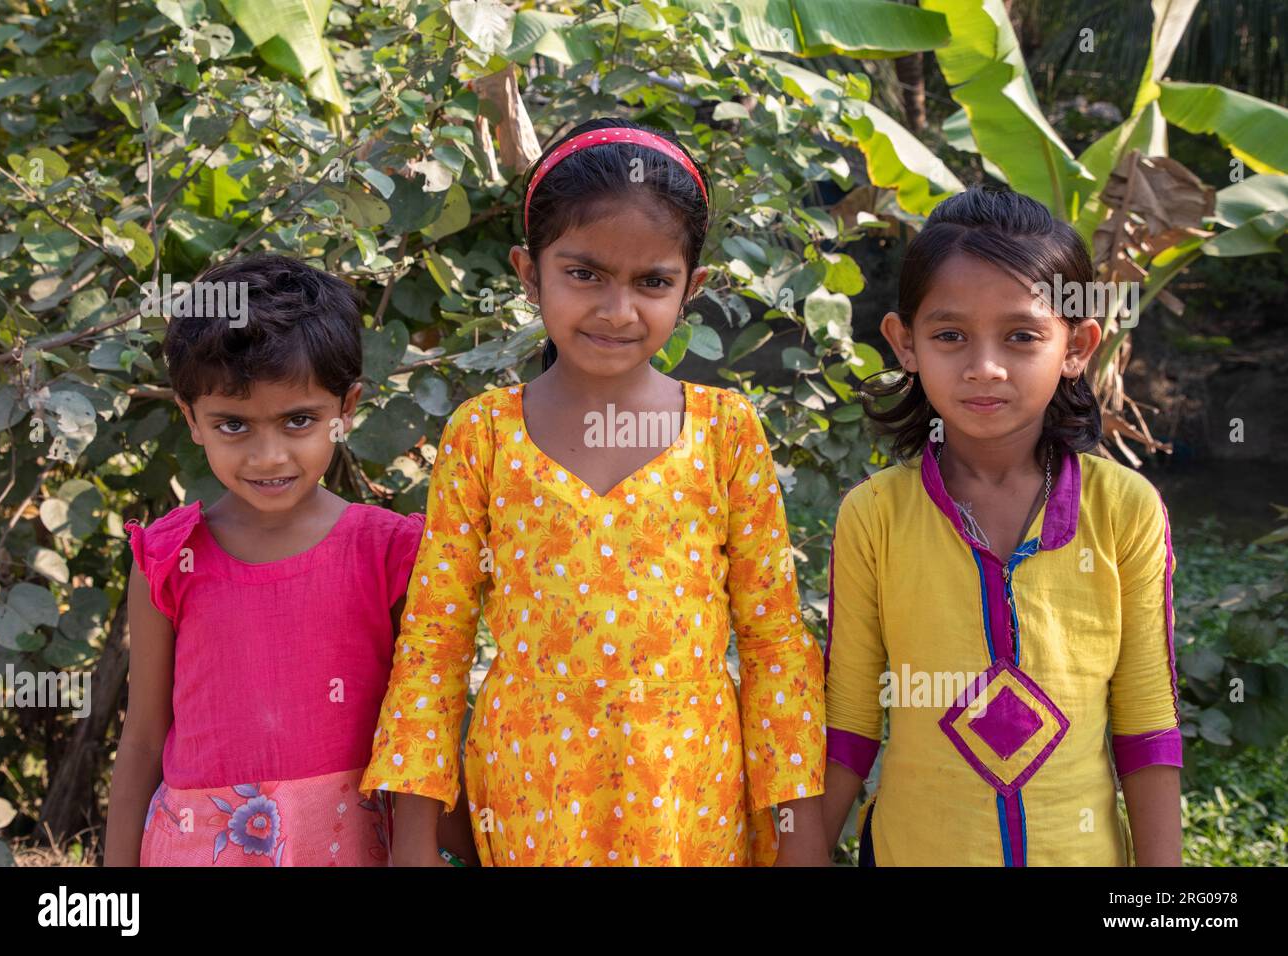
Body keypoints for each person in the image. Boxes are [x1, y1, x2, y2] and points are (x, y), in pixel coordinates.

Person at [360, 119, 828, 866]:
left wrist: (800, 842)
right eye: (585, 274)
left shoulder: (726, 434)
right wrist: (411, 845)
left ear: (691, 288)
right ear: (528, 271)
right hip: (531, 803)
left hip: (690, 802)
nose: (618, 311)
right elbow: (434, 649)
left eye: (652, 282)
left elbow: (774, 646)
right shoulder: (482, 436)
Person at [822, 187, 1183, 866]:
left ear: (1076, 345)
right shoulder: (875, 517)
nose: (984, 366)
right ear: (905, 344)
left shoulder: (1124, 512)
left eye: (1022, 336)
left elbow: (1146, 726)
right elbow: (848, 722)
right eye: (950, 335)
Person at [105, 254, 434, 866]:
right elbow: (144, 738)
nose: (267, 456)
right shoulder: (168, 558)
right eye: (233, 425)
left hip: (345, 845)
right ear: (191, 419)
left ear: (347, 410)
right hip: (197, 848)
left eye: (299, 420)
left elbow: (421, 729)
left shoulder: (390, 553)